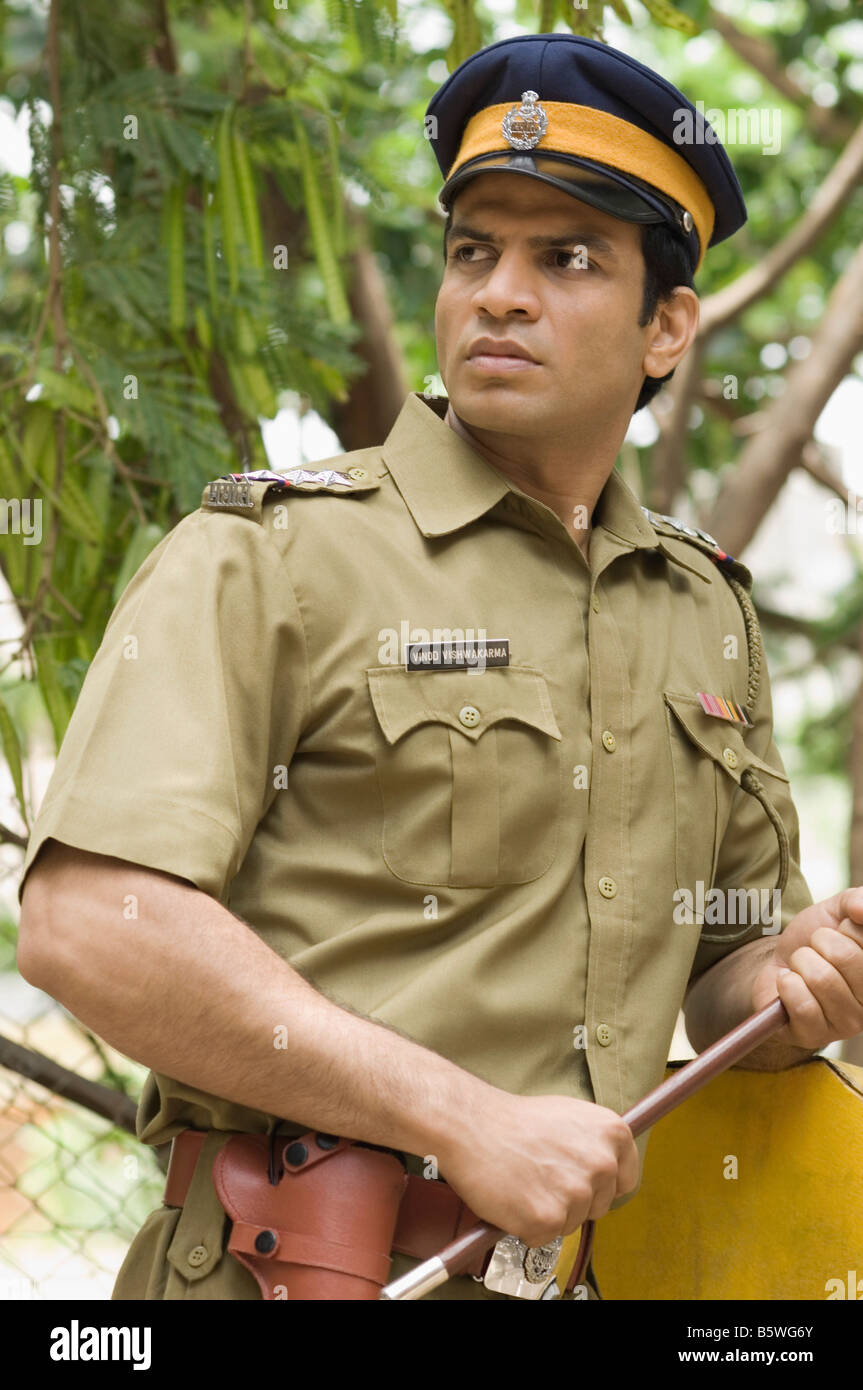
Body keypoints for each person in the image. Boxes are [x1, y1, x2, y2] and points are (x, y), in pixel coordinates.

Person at [15, 32, 863, 1302]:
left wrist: (787, 970)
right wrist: (460, 1115)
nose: (498, 293)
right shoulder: (274, 557)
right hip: (301, 1275)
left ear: (667, 326)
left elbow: (711, 969)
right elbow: (87, 927)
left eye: (564, 258)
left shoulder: (701, 609)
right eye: (475, 251)